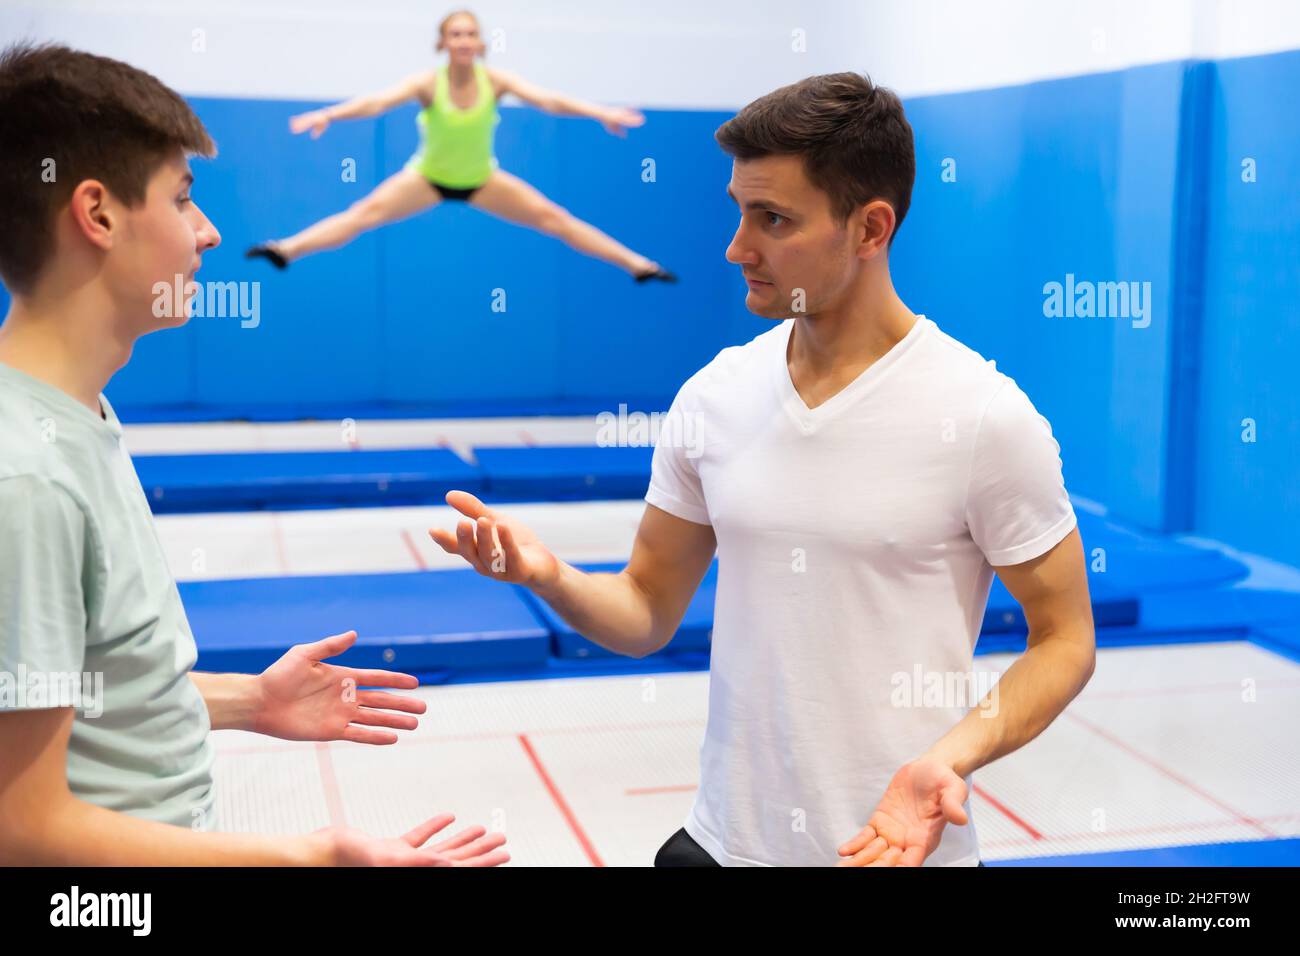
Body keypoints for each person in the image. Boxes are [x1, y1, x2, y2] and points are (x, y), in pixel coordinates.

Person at [430, 72, 1096, 867]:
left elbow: (1065, 640)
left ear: (870, 228)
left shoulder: (985, 415)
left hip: (900, 851)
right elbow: (645, 609)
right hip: (722, 845)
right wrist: (550, 575)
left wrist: (949, 755)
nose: (737, 248)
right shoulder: (714, 396)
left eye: (772, 219)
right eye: (740, 211)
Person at [0, 41, 507, 867]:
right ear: (96, 215)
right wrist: (312, 858)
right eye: (184, 198)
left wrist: (249, 700)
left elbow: (86, 694)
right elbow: (23, 829)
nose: (209, 232)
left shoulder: (76, 415)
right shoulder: (25, 478)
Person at [246, 8, 676, 282]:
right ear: (444, 43)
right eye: (455, 34)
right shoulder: (427, 83)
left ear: (480, 43)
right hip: (427, 178)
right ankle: (286, 249)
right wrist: (330, 114)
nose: (464, 41)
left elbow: (546, 99)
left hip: (482, 179)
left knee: (554, 218)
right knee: (361, 216)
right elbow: (377, 101)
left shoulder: (497, 81)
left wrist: (601, 112)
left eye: (471, 34)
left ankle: (637, 264)